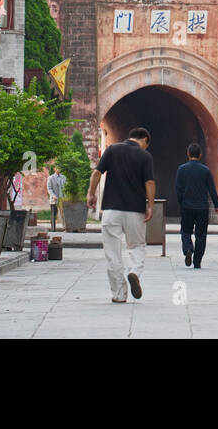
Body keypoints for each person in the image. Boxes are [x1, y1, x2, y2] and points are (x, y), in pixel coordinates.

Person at [88, 119, 154, 303]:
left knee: (112, 253)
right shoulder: (145, 156)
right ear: (144, 140)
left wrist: (91, 193)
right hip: (135, 211)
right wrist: (150, 205)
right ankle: (134, 272)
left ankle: (119, 294)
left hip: (111, 210)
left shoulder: (112, 150)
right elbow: (149, 182)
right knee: (137, 246)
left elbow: (97, 173)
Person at [174, 143, 218, 269]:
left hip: (187, 206)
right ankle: (197, 261)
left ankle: (188, 248)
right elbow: (212, 189)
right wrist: (216, 205)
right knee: (201, 235)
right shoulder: (205, 170)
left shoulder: (181, 169)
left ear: (188, 153)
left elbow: (178, 189)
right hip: (202, 207)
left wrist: (181, 202)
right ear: (200, 154)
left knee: (185, 231)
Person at [46, 167, 66, 232]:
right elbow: (49, 188)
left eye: (59, 168)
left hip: (62, 198)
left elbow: (65, 187)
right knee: (54, 214)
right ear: (54, 169)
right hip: (54, 198)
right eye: (57, 168)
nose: (59, 169)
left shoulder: (63, 177)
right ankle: (53, 228)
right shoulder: (51, 178)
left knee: (63, 214)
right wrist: (53, 195)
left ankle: (65, 227)